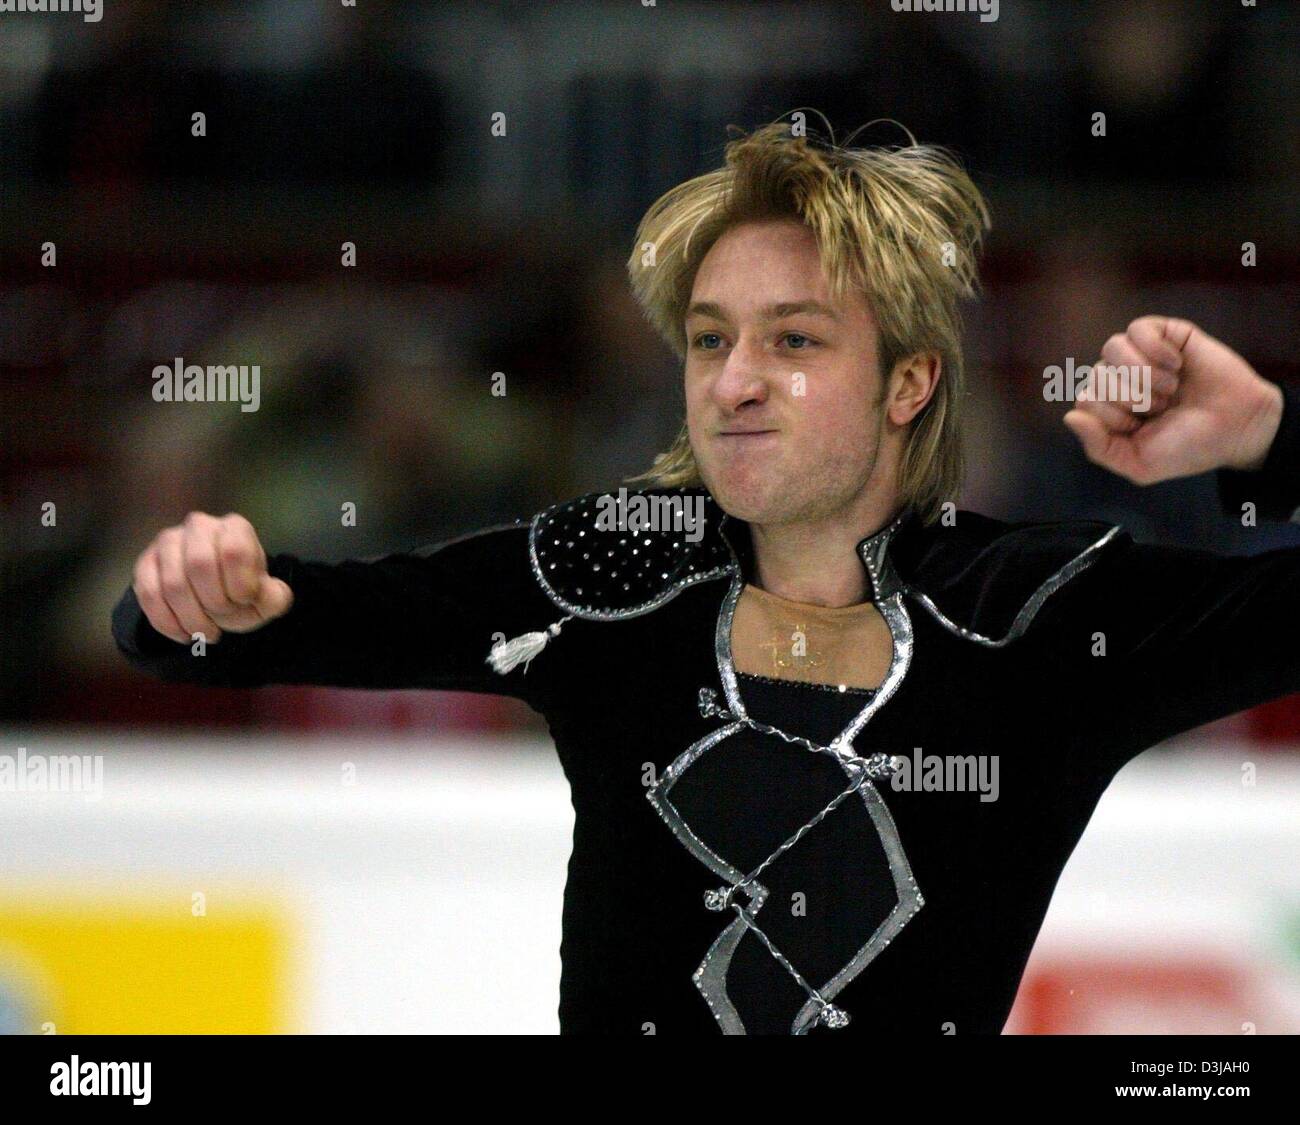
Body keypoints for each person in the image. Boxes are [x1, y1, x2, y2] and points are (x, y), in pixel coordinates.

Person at [112, 123, 1299, 1035]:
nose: (733, 380)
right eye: (708, 337)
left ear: (908, 384)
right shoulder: (616, 571)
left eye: (793, 339)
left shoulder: (1037, 617)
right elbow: (255, 625)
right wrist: (192, 604)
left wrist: (1269, 438)